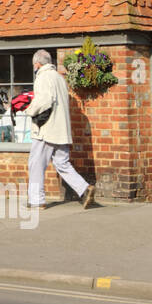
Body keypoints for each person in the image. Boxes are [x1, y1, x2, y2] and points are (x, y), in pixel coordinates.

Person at [25, 49, 94, 209]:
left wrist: (30, 110)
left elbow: (44, 100)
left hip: (45, 129)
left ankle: (36, 200)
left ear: (37, 63)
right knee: (62, 163)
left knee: (36, 164)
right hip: (61, 129)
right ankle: (84, 189)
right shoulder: (59, 78)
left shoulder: (42, 77)